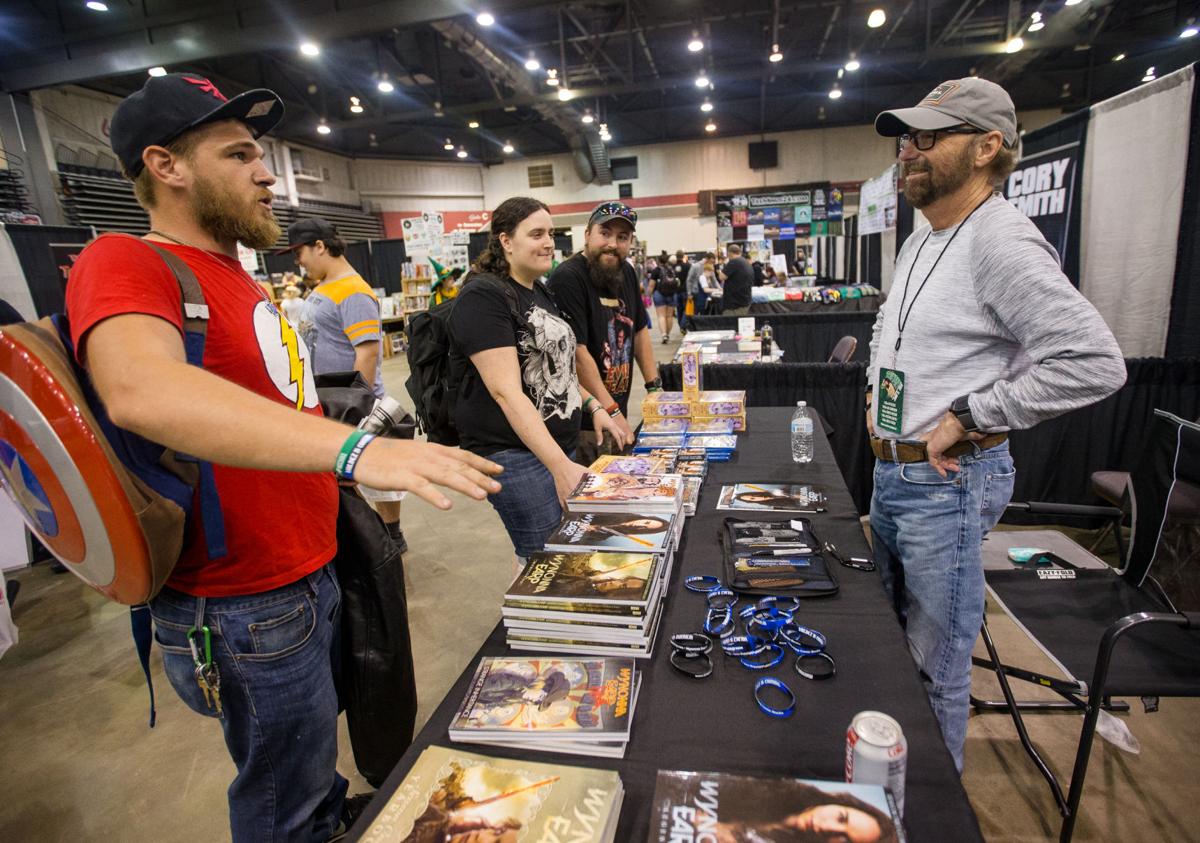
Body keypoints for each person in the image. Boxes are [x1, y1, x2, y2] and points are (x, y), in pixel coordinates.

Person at [63, 73, 501, 842]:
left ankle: (327, 815)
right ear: (166, 165)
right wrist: (355, 450)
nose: (269, 173)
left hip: (306, 568)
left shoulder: (238, 276)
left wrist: (378, 442)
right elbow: (140, 389)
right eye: (240, 155)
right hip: (242, 599)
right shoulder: (124, 260)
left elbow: (284, 400)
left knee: (307, 752)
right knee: (279, 794)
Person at [868, 77, 1126, 772]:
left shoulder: (1001, 241)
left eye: (929, 137)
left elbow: (1095, 362)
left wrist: (973, 413)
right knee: (892, 654)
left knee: (934, 671)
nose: (909, 152)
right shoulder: (925, 238)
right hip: (896, 472)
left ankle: (928, 813)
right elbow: (893, 334)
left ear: (988, 147)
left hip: (945, 482)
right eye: (906, 139)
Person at [448, 197, 623, 560]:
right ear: (505, 241)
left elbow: (557, 367)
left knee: (557, 554)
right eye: (536, 233)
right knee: (547, 560)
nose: (548, 242)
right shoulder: (484, 296)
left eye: (551, 233)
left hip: (555, 447)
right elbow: (506, 392)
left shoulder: (538, 289)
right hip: (516, 457)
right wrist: (559, 466)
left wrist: (593, 406)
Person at [283, 217, 409, 553]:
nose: (299, 262)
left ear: (320, 246)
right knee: (346, 475)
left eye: (300, 253)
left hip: (350, 403)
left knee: (375, 472)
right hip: (324, 398)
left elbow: (367, 353)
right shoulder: (323, 287)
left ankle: (391, 534)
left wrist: (356, 407)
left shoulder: (354, 292)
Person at [546, 201, 660, 461]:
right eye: (605, 233)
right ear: (587, 235)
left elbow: (639, 330)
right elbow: (576, 353)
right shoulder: (568, 278)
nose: (612, 243)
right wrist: (610, 409)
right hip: (583, 422)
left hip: (614, 409)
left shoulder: (627, 272)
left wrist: (655, 388)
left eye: (622, 237)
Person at [650, 254, 680, 342]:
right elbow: (677, 283)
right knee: (669, 316)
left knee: (661, 316)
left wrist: (648, 295)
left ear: (659, 261)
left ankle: (664, 335)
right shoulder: (673, 269)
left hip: (659, 294)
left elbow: (651, 285)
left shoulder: (656, 270)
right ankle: (668, 334)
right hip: (672, 294)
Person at [719, 243, 754, 315]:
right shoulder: (746, 262)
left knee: (730, 324)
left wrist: (724, 265)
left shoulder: (734, 262)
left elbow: (721, 277)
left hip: (734, 304)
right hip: (745, 300)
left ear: (730, 253)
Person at [673, 249, 692, 331]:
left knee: (679, 309)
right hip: (685, 290)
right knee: (685, 309)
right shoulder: (688, 266)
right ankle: (682, 325)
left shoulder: (672, 266)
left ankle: (681, 324)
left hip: (675, 291)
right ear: (683, 256)